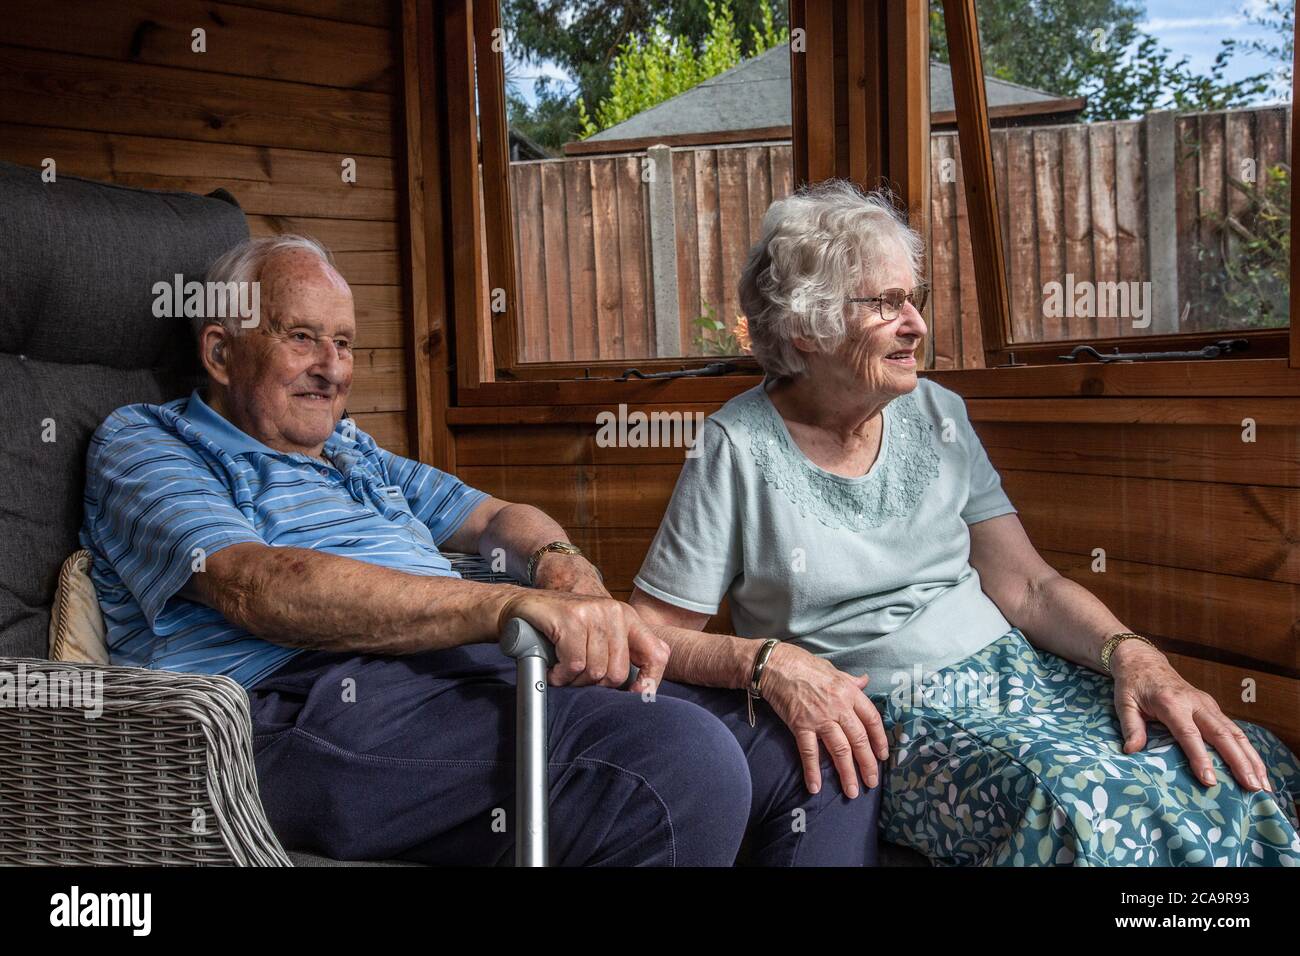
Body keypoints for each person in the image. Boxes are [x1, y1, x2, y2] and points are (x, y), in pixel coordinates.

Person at [79, 234, 877, 866]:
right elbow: (258, 588)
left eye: (346, 345)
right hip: (291, 708)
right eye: (302, 340)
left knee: (820, 745)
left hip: (457, 667)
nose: (332, 369)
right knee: (680, 761)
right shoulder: (149, 443)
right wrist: (507, 606)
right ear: (220, 354)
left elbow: (497, 519)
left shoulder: (351, 452)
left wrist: (559, 565)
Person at [631, 179, 1300, 866]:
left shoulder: (938, 414)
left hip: (1021, 678)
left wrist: (1134, 654)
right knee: (1083, 804)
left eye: (912, 299)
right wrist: (768, 665)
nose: (916, 324)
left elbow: (1029, 587)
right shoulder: (734, 446)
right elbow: (651, 636)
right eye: (887, 304)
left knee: (1240, 759)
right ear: (807, 326)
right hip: (889, 718)